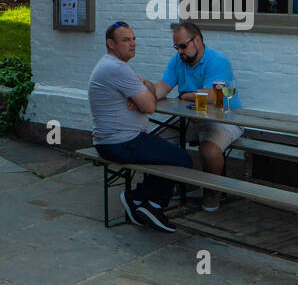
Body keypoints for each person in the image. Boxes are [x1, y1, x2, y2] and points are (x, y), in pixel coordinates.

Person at [88, 21, 194, 231]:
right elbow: (150, 106)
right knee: (183, 159)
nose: (133, 44)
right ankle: (148, 203)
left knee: (165, 155)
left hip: (116, 140)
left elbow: (150, 90)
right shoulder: (117, 68)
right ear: (111, 43)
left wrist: (143, 93)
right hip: (121, 142)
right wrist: (143, 98)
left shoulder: (115, 65)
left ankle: (140, 201)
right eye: (126, 40)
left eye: (134, 39)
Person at [153, 21, 243, 213]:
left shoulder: (217, 60)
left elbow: (210, 95)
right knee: (159, 142)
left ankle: (212, 193)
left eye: (183, 46)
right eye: (176, 47)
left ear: (198, 41)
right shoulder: (178, 60)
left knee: (209, 151)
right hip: (194, 117)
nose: (179, 51)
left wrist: (185, 95)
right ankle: (179, 184)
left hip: (226, 118)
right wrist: (143, 94)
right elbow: (162, 87)